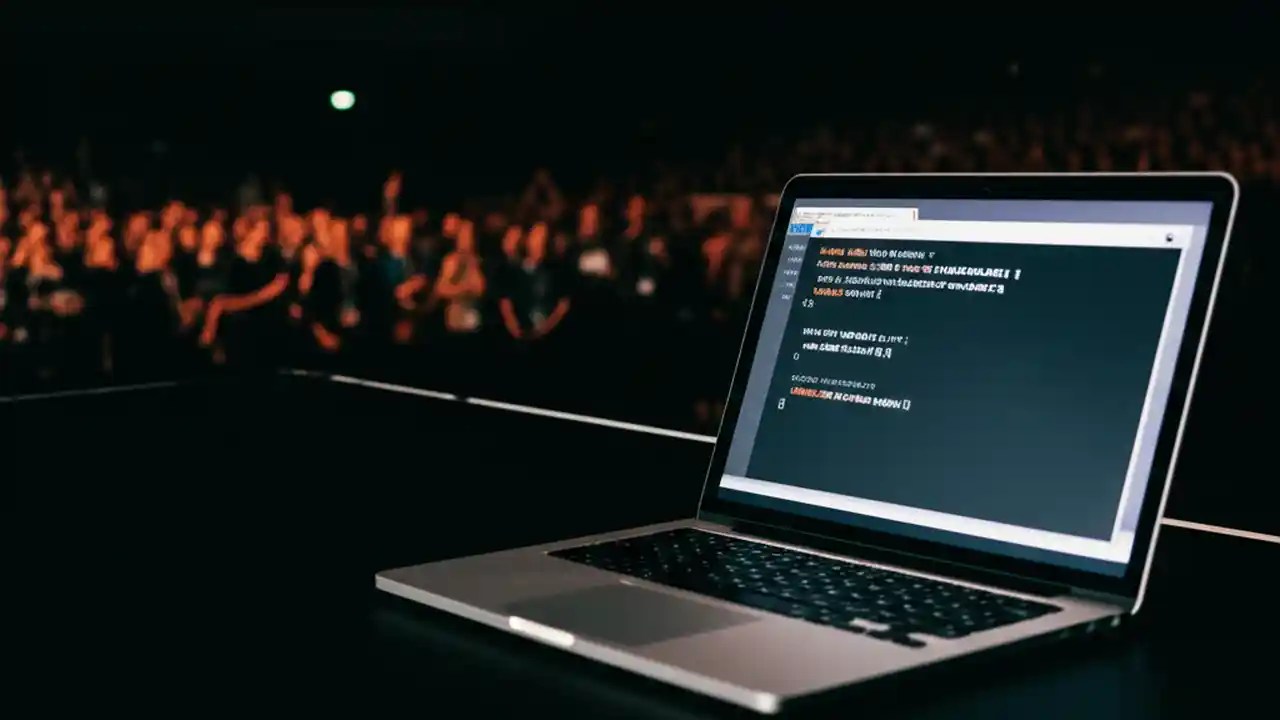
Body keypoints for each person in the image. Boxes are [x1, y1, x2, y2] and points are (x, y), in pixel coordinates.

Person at [200, 217, 288, 368]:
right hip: (238, 332)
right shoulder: (230, 260)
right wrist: (262, 295)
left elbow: (281, 286)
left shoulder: (272, 258)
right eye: (260, 229)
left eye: (266, 230)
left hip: (266, 329)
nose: (263, 234)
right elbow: (221, 300)